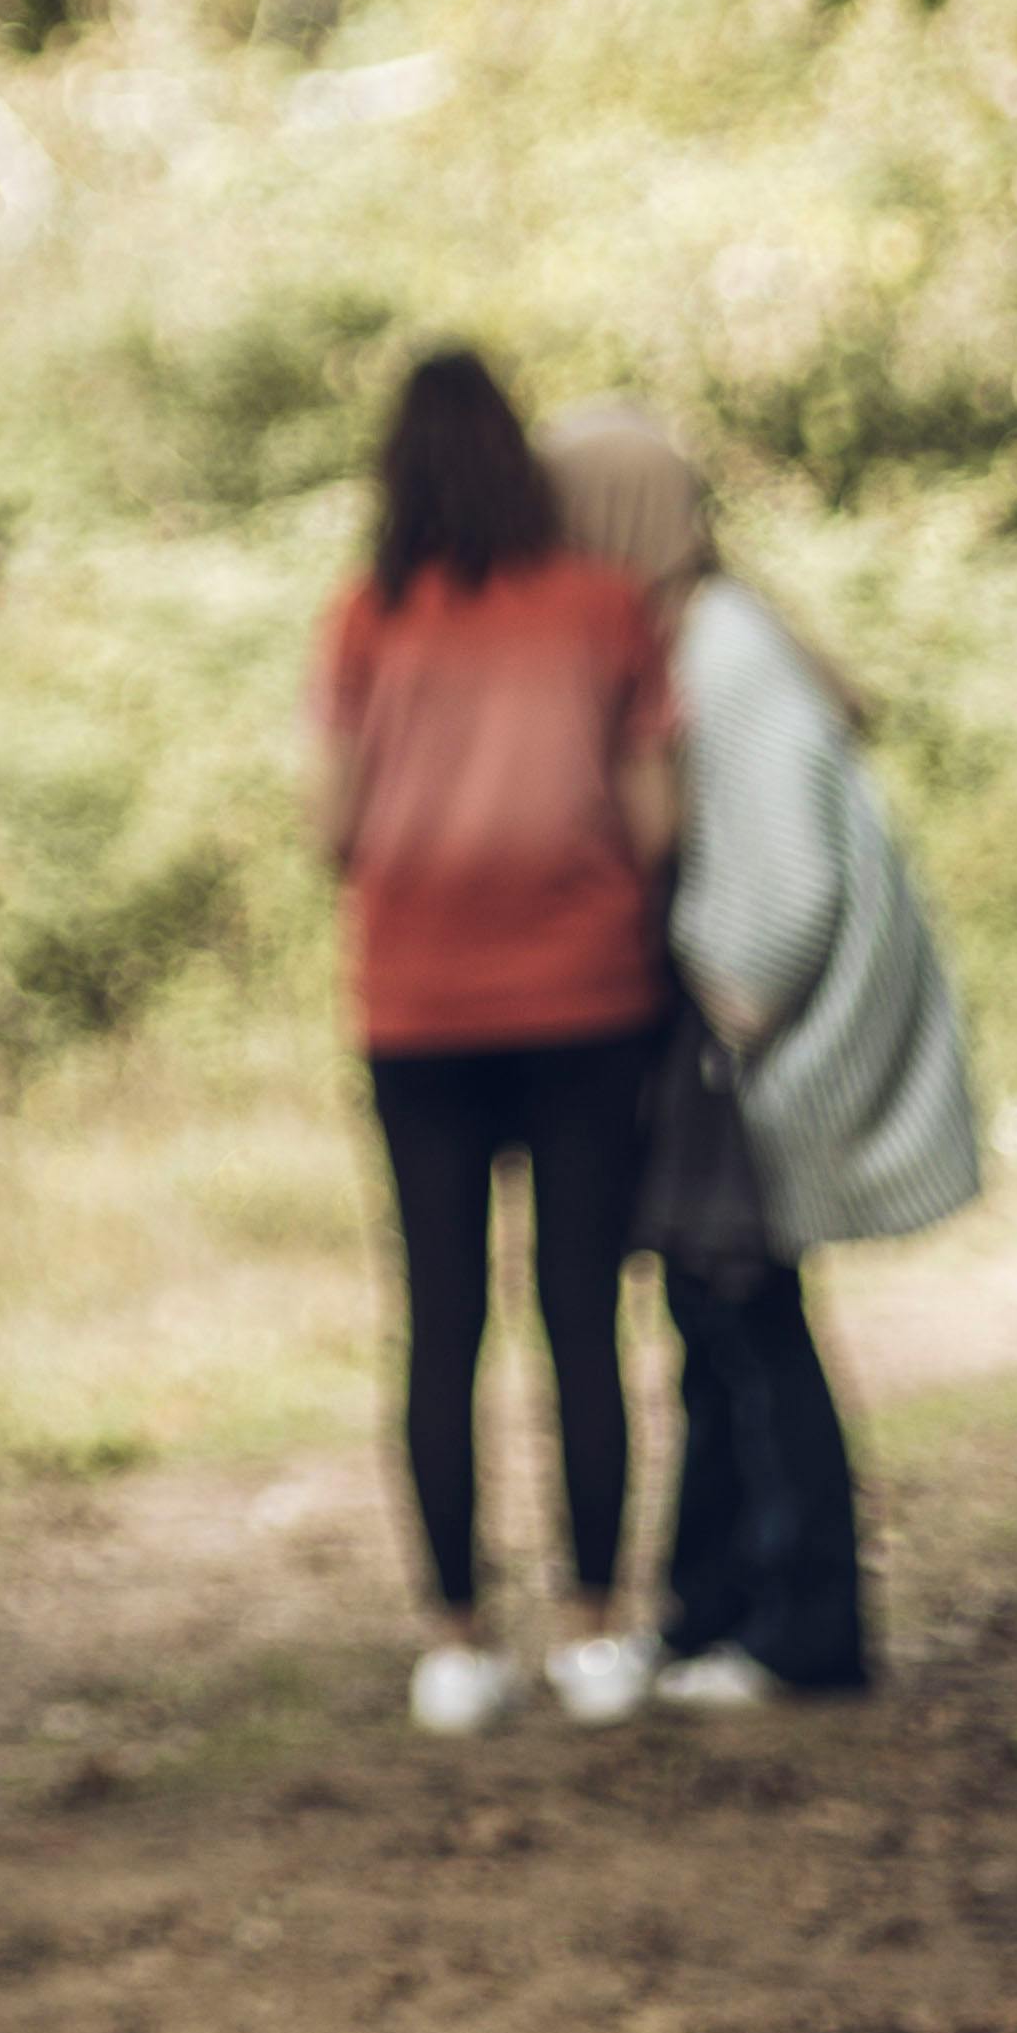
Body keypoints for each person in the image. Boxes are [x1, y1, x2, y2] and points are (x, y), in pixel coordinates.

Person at [541, 399, 980, 1705]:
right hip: (751, 1056)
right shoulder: (697, 634)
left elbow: (784, 893)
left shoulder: (723, 653)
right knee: (713, 1322)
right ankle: (708, 1615)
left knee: (749, 1326)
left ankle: (805, 1633)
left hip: (765, 1062)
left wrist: (723, 1010)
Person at [308, 344, 681, 1735]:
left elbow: (330, 828)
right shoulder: (604, 609)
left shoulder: (362, 618)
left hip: (417, 1010)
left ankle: (456, 1640)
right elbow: (656, 822)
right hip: (589, 1001)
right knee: (583, 1316)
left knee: (441, 1321)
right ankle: (595, 1627)